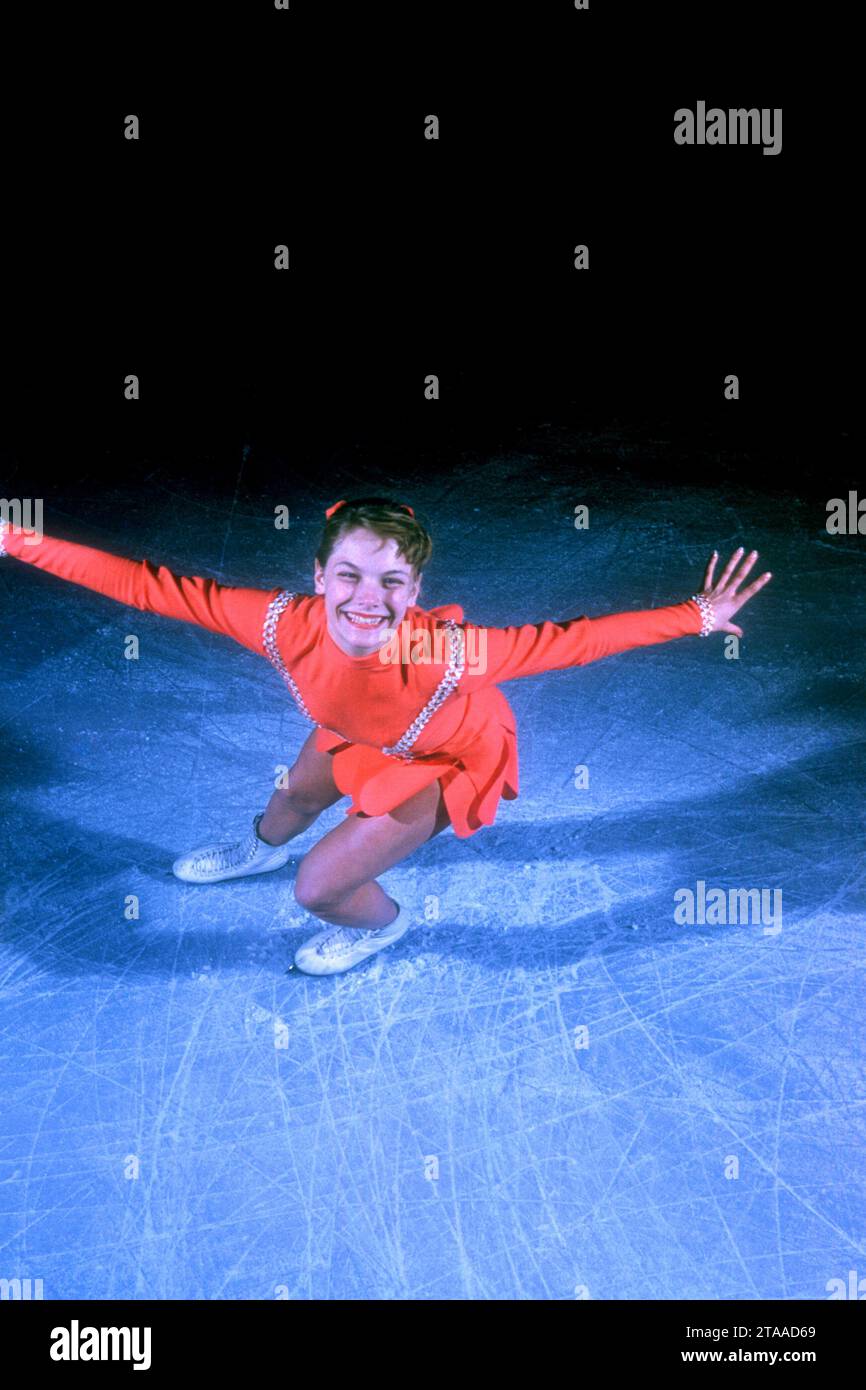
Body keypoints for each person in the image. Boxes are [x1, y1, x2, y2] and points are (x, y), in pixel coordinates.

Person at [0, 496, 772, 975]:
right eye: (349, 576)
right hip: (357, 727)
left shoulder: (445, 653)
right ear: (318, 575)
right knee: (292, 800)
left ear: (417, 592)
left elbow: (573, 639)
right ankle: (255, 851)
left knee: (319, 888)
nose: (368, 600)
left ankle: (384, 926)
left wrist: (696, 616)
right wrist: (15, 539)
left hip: (444, 756)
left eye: (392, 583)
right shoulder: (277, 622)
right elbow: (143, 584)